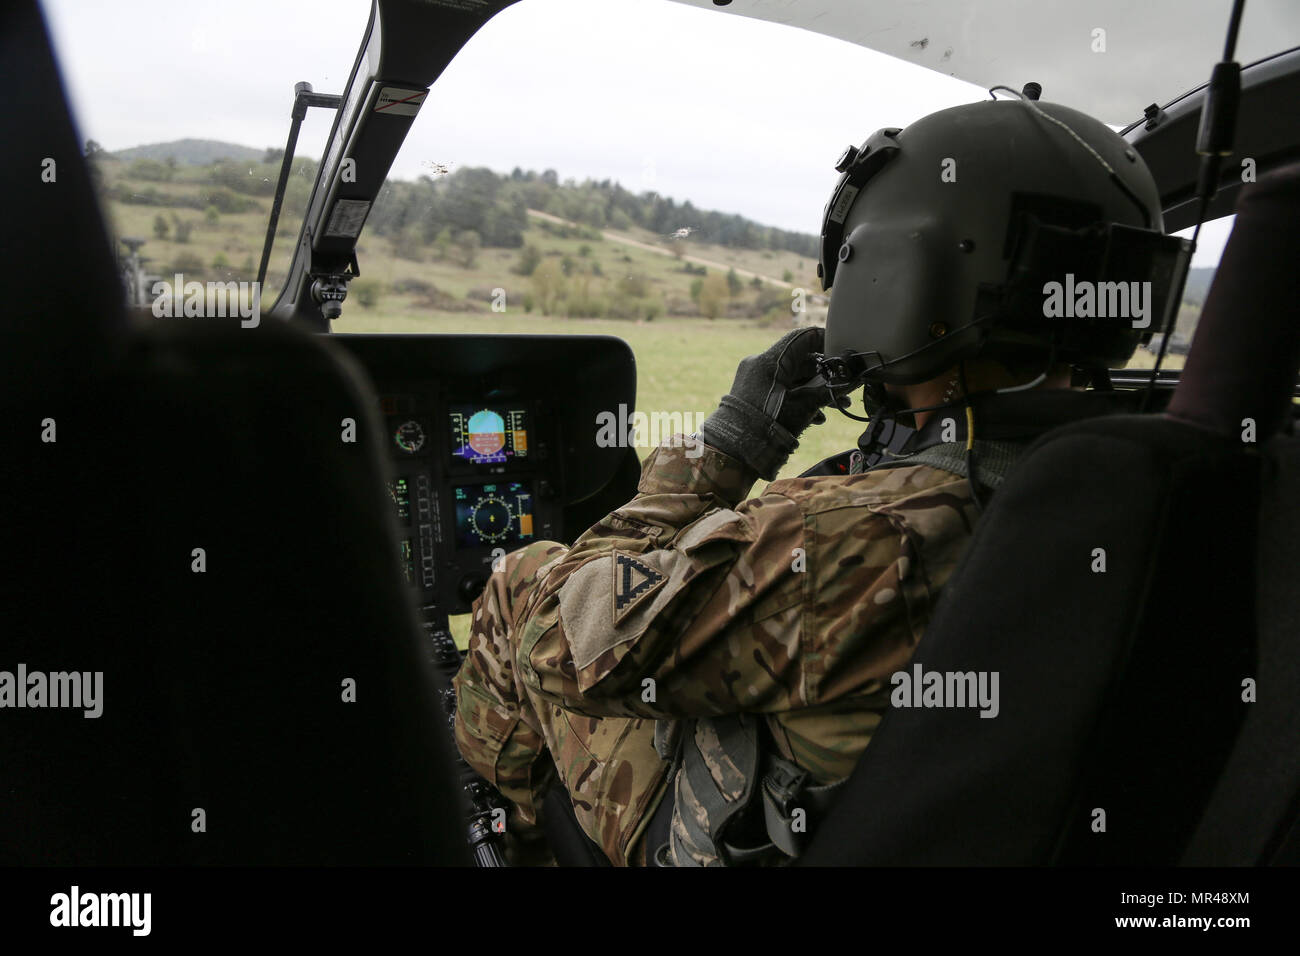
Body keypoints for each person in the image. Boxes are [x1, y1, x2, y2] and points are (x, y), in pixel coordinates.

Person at [453, 92, 1181, 866]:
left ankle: (507, 835)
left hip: (741, 839)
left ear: (898, 274)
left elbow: (560, 642)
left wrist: (728, 447)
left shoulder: (858, 535)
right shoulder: (1144, 481)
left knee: (524, 582)